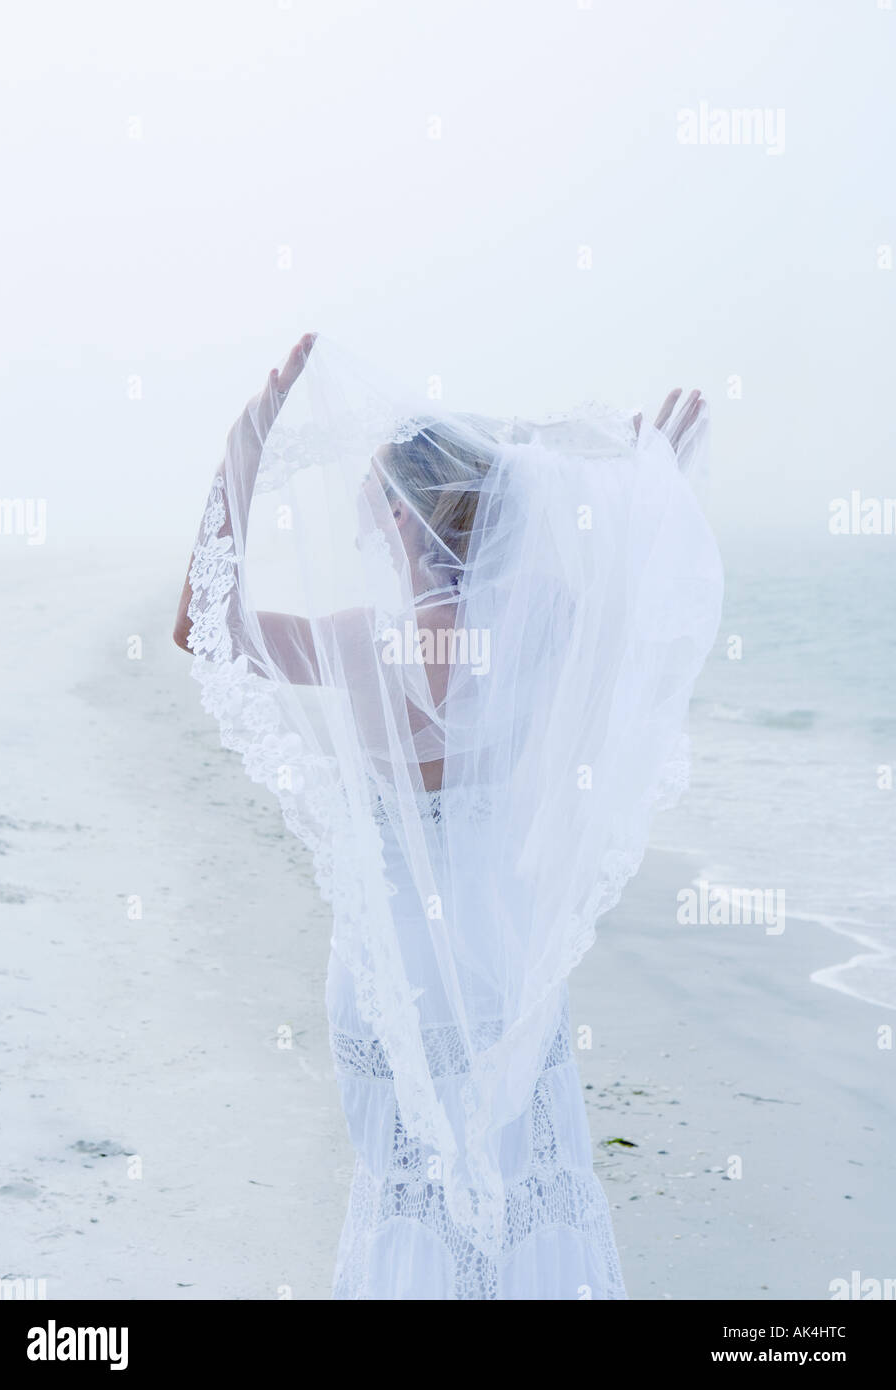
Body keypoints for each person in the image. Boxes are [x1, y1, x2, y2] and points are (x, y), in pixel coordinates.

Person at [174, 332, 722, 1299]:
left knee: (404, 1187)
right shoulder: (548, 623)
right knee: (527, 1180)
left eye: (374, 508)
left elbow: (199, 627)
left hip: (389, 961)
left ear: (401, 514)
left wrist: (242, 450)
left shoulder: (362, 643)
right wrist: (651, 490)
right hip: (500, 948)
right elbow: (642, 613)